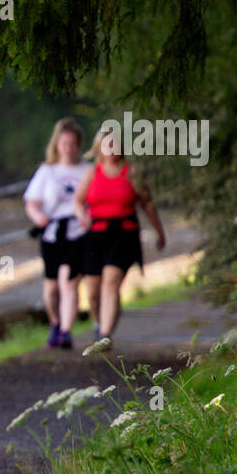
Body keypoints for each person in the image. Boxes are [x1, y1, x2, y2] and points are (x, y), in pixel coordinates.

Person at [73, 123, 167, 350]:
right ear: (98, 148)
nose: (111, 149)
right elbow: (78, 200)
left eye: (115, 144)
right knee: (92, 291)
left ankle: (105, 336)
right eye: (106, 145)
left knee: (111, 281)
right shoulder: (91, 173)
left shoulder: (132, 172)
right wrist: (82, 216)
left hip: (124, 234)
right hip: (96, 234)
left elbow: (147, 204)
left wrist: (159, 232)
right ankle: (99, 324)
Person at [24, 118, 91, 350]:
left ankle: (66, 331)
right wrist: (38, 217)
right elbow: (32, 202)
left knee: (68, 282)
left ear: (79, 145)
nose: (69, 148)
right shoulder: (47, 171)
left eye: (73, 144)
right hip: (52, 233)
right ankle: (55, 322)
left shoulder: (87, 171)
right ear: (57, 144)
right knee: (51, 288)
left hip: (78, 233)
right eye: (65, 143)